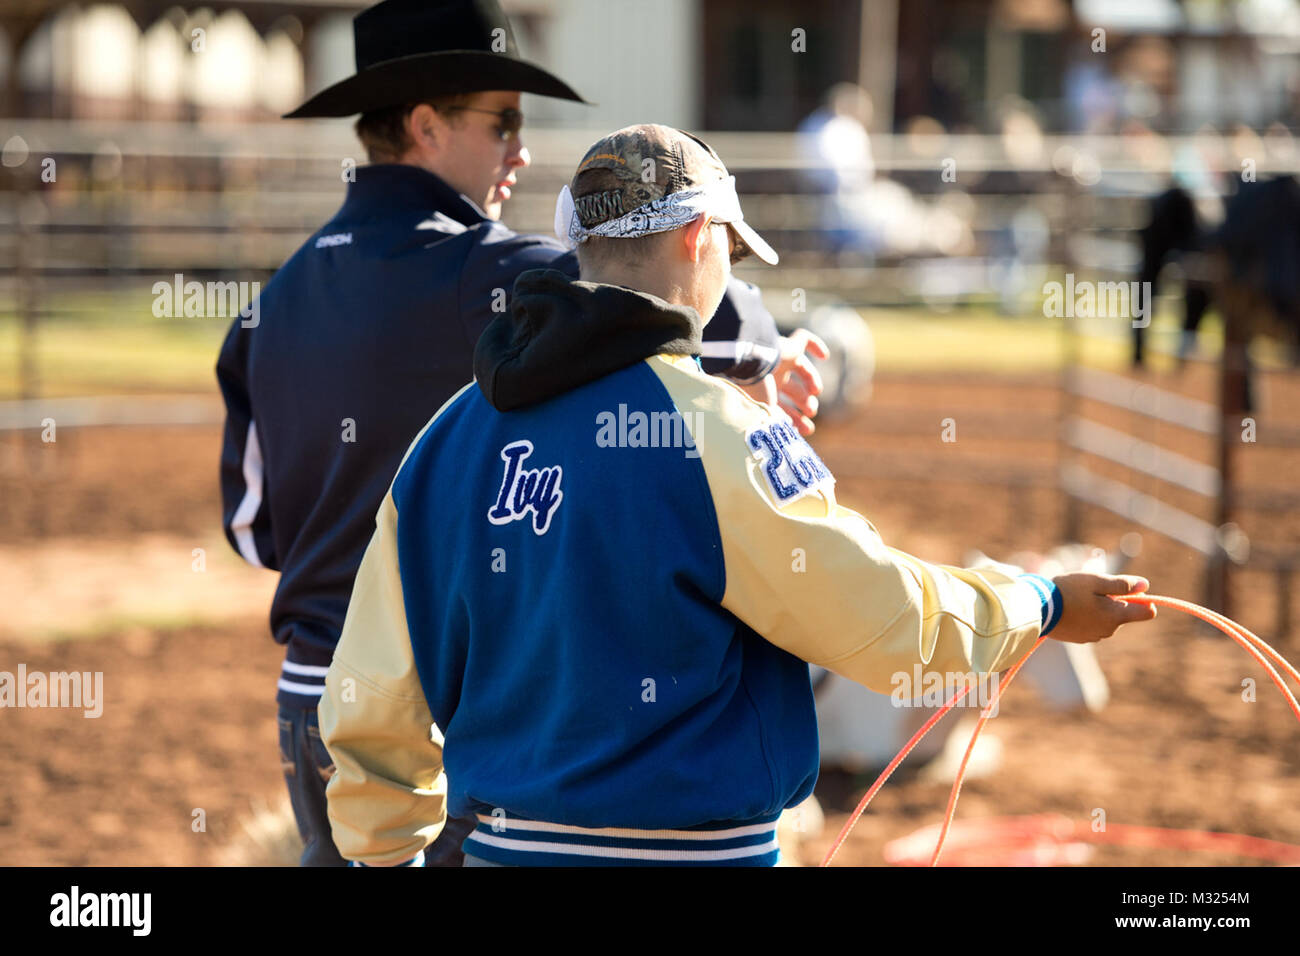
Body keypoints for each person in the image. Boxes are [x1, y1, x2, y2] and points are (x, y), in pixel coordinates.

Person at [317, 124, 1158, 867]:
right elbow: (891, 625)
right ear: (695, 239)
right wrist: (1039, 603)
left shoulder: (450, 438)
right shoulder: (722, 434)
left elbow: (373, 694)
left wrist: (387, 852)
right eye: (732, 247)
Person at [216, 0, 811, 867]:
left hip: (316, 700)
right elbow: (684, 306)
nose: (521, 152)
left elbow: (254, 531)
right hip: (447, 701)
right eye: (503, 124)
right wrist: (775, 348)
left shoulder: (267, 307)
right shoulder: (502, 277)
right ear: (425, 125)